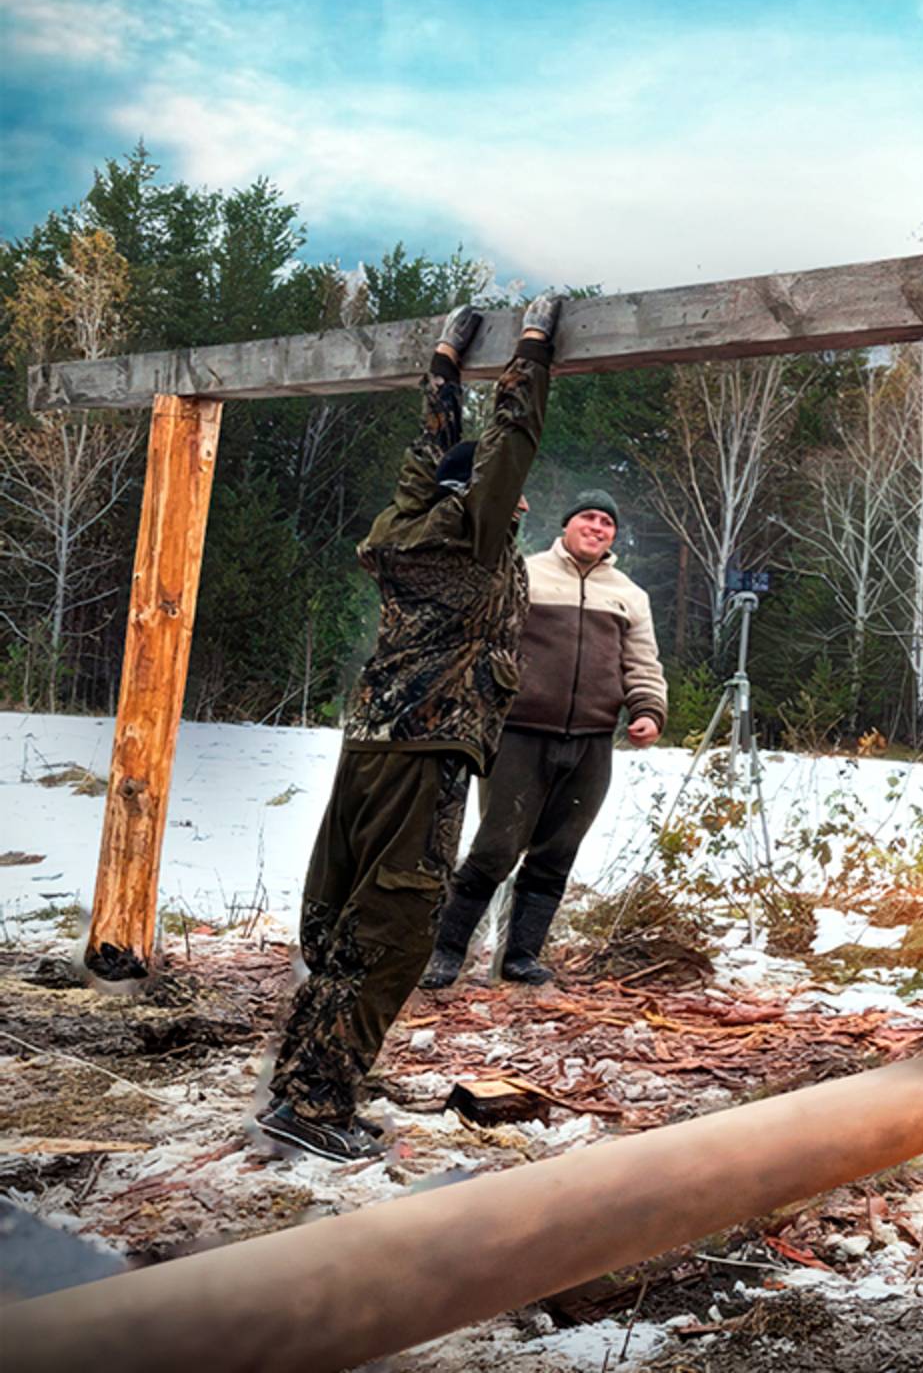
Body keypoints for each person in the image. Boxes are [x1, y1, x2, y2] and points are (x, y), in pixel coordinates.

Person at [256, 295, 563, 1162]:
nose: (521, 503)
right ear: (492, 499)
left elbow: (429, 457)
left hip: (370, 746)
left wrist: (443, 364)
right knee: (393, 930)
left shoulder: (404, 530)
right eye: (512, 497)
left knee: (343, 923)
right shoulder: (472, 538)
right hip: (425, 754)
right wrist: (532, 351)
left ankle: (305, 1081)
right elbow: (511, 438)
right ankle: (314, 1105)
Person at [420, 488, 666, 989]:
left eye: (607, 523)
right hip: (520, 734)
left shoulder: (629, 594)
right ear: (567, 524)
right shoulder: (526, 574)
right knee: (496, 848)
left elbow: (643, 663)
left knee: (557, 853)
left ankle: (521, 956)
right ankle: (445, 952)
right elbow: (488, 639)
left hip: (592, 741)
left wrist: (648, 711)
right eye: (588, 518)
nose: (597, 527)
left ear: (614, 536)